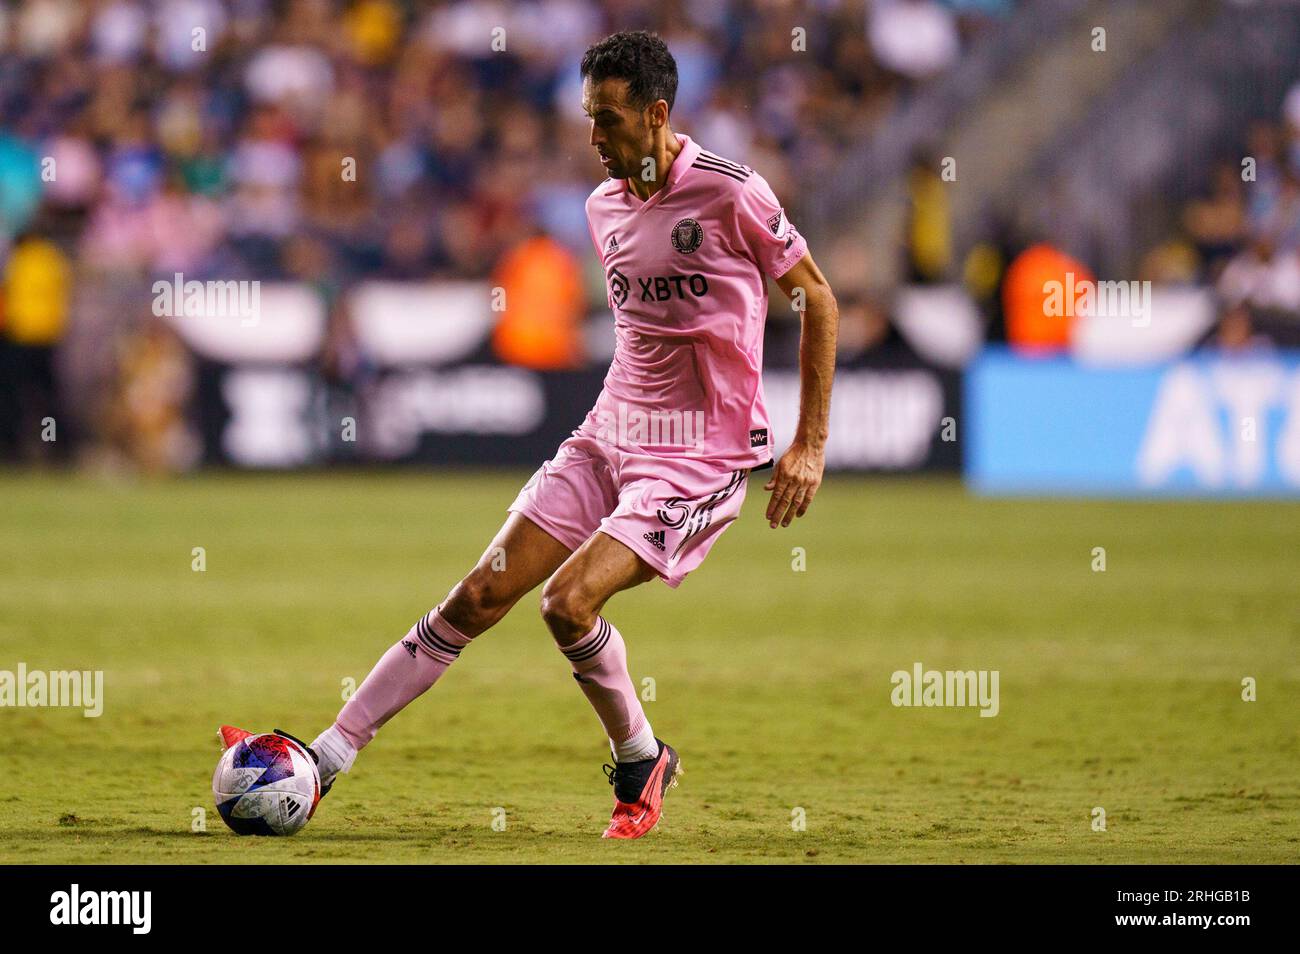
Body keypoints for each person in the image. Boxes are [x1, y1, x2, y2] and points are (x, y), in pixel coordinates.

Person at [222, 30, 839, 840]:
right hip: (608, 434)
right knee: (478, 595)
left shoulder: (732, 192)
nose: (594, 139)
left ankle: (638, 758)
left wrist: (810, 443)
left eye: (610, 121)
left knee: (567, 603)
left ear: (658, 115)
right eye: (588, 119)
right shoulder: (601, 207)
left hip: (698, 455)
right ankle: (327, 758)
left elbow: (817, 300)